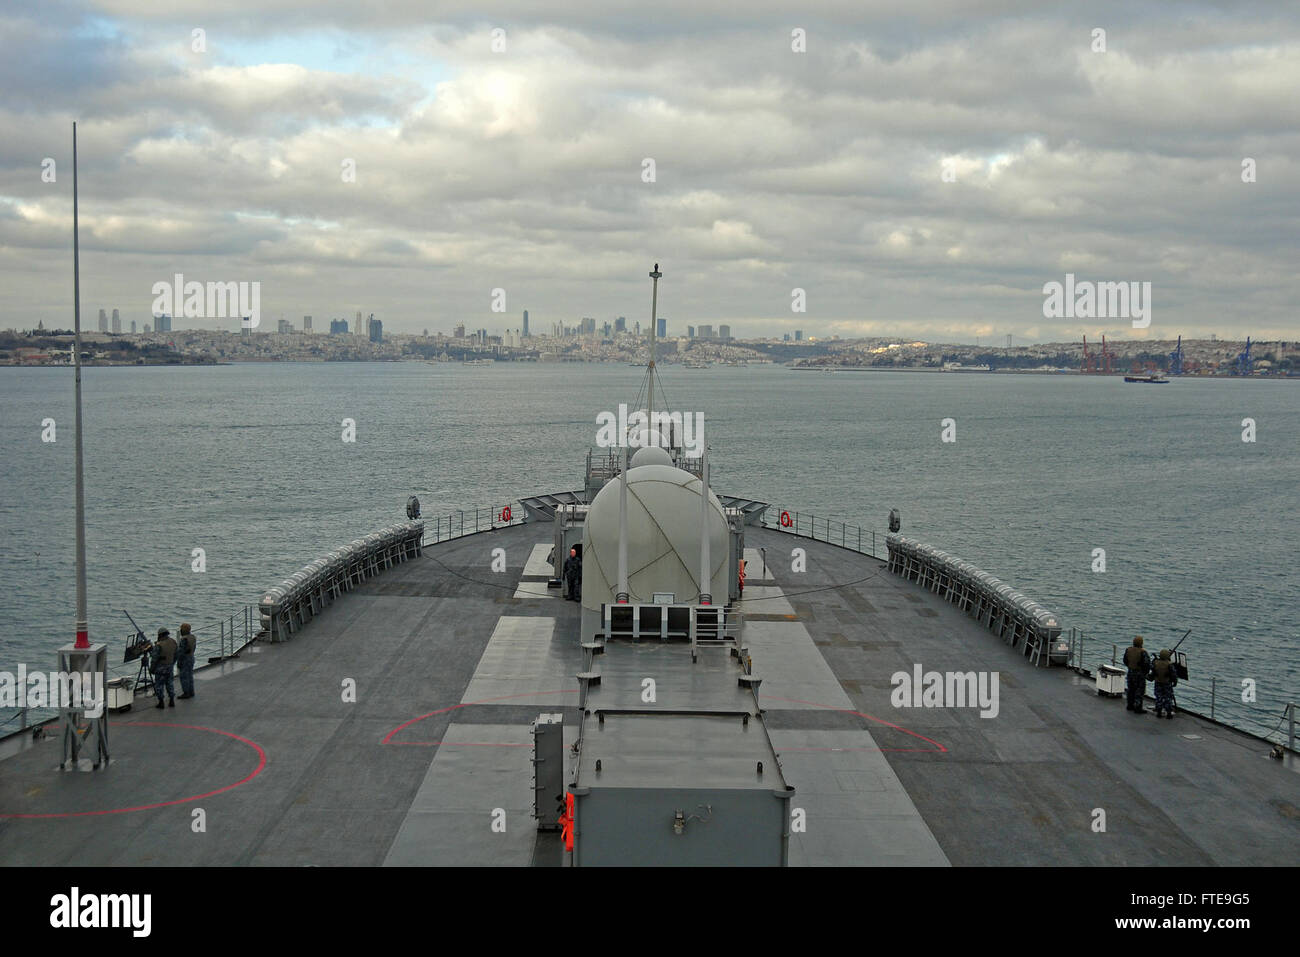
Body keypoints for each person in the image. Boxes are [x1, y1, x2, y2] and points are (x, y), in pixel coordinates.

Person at [1122, 635, 1151, 714]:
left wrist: (1130, 666)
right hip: (1139, 674)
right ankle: (1138, 707)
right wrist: (1145, 673)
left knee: (1131, 689)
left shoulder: (1128, 650)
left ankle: (1130, 705)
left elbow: (1125, 660)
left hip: (1130, 672)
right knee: (1139, 690)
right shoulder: (1143, 652)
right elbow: (1147, 664)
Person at [151, 627, 178, 709]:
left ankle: (161, 702)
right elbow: (176, 654)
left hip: (160, 668)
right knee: (169, 683)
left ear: (160, 635)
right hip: (170, 666)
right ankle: (172, 700)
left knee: (159, 685)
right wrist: (172, 663)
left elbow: (154, 659)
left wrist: (152, 669)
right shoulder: (173, 642)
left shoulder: (159, 645)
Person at [1151, 649, 1178, 719]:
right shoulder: (1169, 664)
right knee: (1168, 697)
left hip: (1158, 682)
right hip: (1167, 683)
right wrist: (1175, 681)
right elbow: (1174, 674)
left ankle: (1159, 712)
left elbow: (1152, 668)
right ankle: (1169, 713)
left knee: (1158, 697)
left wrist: (1155, 659)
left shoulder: (1155, 662)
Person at [176, 622, 197, 700]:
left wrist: (178, 662)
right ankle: (191, 691)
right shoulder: (192, 637)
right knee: (190, 675)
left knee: (184, 676)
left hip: (185, 659)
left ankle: (186, 692)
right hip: (191, 657)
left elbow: (181, 652)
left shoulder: (184, 639)